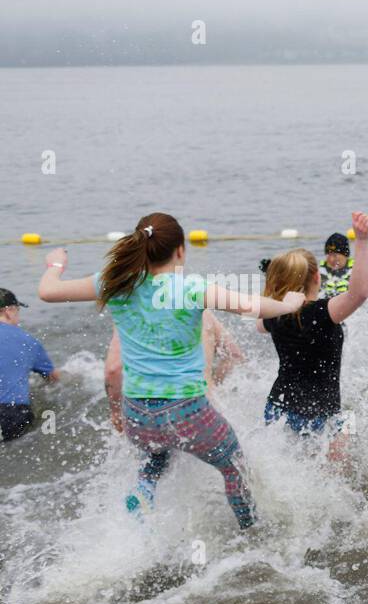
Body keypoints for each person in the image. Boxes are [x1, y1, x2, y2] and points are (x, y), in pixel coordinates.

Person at [37, 213, 306, 528]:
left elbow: (48, 292)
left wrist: (55, 264)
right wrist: (288, 305)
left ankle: (143, 491)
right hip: (187, 411)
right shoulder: (190, 288)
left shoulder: (114, 282)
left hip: (137, 412)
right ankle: (251, 531)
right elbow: (251, 306)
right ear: (180, 250)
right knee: (234, 467)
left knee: (156, 457)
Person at [258, 213, 368, 460]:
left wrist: (273, 286)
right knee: (349, 421)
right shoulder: (322, 312)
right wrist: (361, 241)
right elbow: (360, 293)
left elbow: (259, 323)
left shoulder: (273, 314)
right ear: (316, 277)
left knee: (288, 465)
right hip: (318, 413)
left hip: (276, 407)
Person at [105, 312, 245, 433]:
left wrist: (116, 412)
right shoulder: (202, 311)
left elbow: (114, 370)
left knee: (155, 458)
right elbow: (235, 355)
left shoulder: (133, 312)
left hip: (156, 411)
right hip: (204, 406)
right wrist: (214, 381)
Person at [0, 288, 59, 441]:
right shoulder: (29, 341)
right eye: (17, 311)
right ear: (8, 311)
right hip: (12, 413)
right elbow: (53, 378)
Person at [320, 232, 368, 298]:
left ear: (345, 255)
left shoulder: (357, 270)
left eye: (335, 255)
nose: (331, 259)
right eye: (329, 255)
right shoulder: (318, 273)